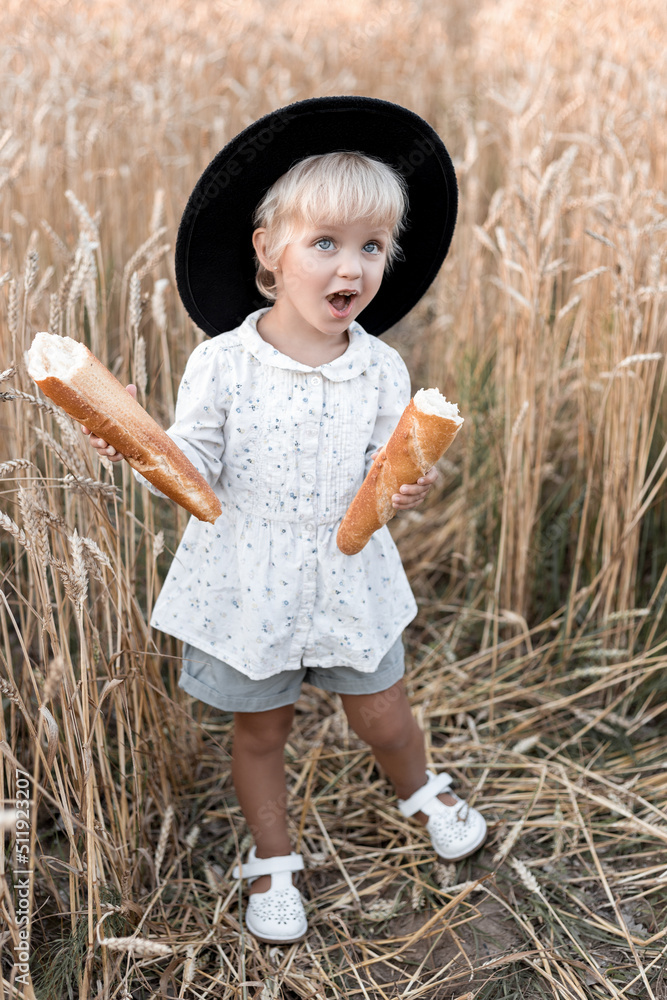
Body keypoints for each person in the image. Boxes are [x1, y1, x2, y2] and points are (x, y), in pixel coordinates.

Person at [81, 97, 487, 945]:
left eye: (372, 247)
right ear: (269, 251)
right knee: (260, 728)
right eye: (327, 243)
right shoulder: (222, 362)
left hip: (350, 574)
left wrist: (408, 486)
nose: (354, 266)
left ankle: (420, 788)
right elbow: (193, 459)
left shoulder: (380, 367)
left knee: (381, 712)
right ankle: (272, 859)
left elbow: (390, 463)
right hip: (247, 579)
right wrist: (146, 449)